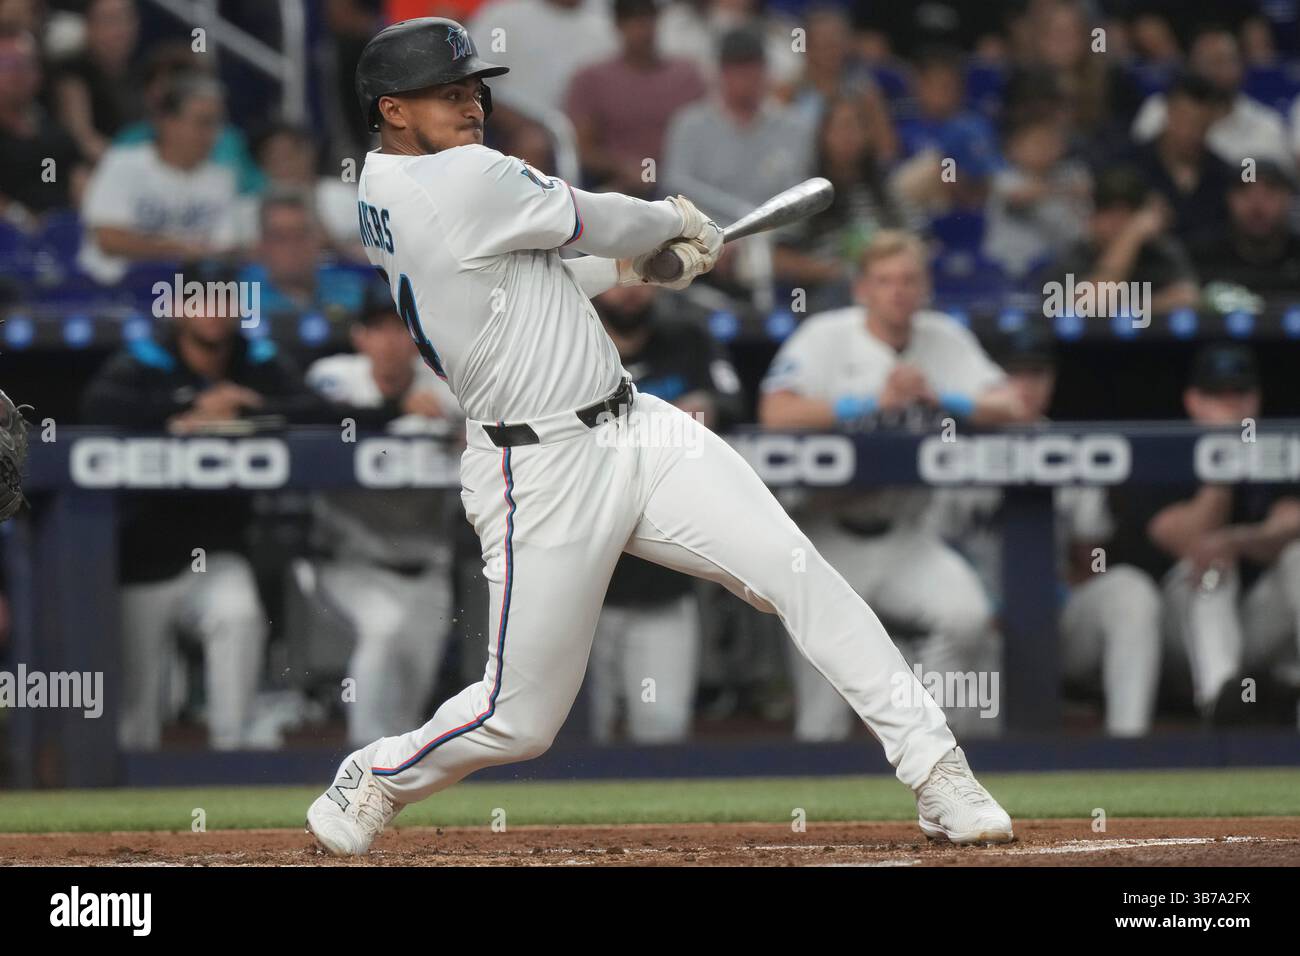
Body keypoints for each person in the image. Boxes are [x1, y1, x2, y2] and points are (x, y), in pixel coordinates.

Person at [306, 17, 1014, 856]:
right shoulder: (454, 180)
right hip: (536, 469)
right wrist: (673, 220)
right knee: (518, 719)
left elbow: (528, 268)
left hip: (634, 426)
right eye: (447, 94)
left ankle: (938, 772)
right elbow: (597, 220)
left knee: (796, 574)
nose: (471, 105)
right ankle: (380, 774)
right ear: (390, 109)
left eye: (473, 90)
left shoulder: (396, 185)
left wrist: (648, 264)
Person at [757, 229, 1033, 742]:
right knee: (822, 709)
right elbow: (776, 413)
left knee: (966, 617)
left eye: (909, 280)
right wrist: (868, 403)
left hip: (907, 534)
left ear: (925, 287)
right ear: (862, 289)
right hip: (827, 538)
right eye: (884, 281)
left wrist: (941, 397)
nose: (898, 291)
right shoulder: (825, 335)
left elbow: (1014, 406)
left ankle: (935, 754)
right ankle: (811, 810)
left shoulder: (943, 337)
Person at [78, 262, 330, 750]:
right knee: (136, 721)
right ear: (176, 309)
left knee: (238, 615)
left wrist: (248, 405)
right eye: (200, 300)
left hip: (216, 553)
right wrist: (185, 409)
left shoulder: (256, 360)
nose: (214, 311)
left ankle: (230, 754)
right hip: (141, 560)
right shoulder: (144, 359)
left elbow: (317, 410)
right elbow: (97, 409)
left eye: (224, 300)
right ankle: (134, 812)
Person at [931, 325, 1163, 737]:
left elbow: (1092, 552)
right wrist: (982, 602)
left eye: (1037, 374)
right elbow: (934, 550)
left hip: (1056, 617)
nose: (1026, 385)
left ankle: (1130, 746)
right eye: (1014, 373)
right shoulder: (954, 451)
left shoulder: (1072, 448)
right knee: (978, 735)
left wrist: (1062, 591)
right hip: (980, 626)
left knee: (1131, 590)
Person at [305, 282, 464, 745]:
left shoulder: (448, 386)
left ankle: (390, 792)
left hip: (429, 569)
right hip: (349, 563)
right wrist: (395, 409)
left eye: (401, 330)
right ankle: (359, 772)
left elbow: (495, 429)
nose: (391, 342)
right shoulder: (333, 377)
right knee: (383, 629)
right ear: (360, 337)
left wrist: (461, 429)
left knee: (408, 713)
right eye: (378, 329)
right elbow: (312, 417)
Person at [585, 282, 743, 743]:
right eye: (619, 278)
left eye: (641, 278)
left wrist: (708, 407)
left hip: (664, 585)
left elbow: (732, 401)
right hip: (581, 588)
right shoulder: (569, 339)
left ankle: (648, 821)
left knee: (663, 728)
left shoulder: (687, 338)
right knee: (565, 735)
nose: (631, 291)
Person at [1146, 345, 1300, 720]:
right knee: (1214, 566)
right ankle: (1221, 708)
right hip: (1179, 633)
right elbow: (1184, 540)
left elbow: (1290, 525)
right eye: (1218, 395)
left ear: (1257, 399)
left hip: (1254, 627)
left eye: (1241, 394)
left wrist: (1235, 539)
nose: (1232, 406)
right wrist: (1223, 464)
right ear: (1194, 401)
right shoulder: (1164, 452)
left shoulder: (1274, 450)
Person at [78, 72, 241, 284]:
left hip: (188, 294)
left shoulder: (221, 179)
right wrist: (177, 250)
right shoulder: (123, 164)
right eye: (203, 123)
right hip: (114, 292)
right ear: (168, 123)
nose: (212, 134)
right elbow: (108, 240)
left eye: (216, 124)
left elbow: (223, 249)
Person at [563, 0, 705, 197]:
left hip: (684, 184)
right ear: (618, 26)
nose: (643, 30)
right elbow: (582, 148)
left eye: (647, 19)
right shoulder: (591, 78)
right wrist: (622, 166)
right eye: (633, 21)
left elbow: (707, 134)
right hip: (615, 186)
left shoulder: (687, 74)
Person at [1037, 165, 1199, 317]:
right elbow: (1090, 305)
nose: (1119, 222)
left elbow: (1187, 298)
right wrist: (1130, 237)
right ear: (1092, 218)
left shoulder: (1161, 251)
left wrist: (1122, 309)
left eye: (1128, 213)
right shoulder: (1072, 256)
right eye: (1109, 212)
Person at [1132, 25, 1291, 169]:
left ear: (1242, 67)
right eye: (1209, 63)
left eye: (1227, 61)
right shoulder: (1157, 110)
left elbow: (1283, 189)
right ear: (1191, 66)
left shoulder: (1266, 126)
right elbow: (1137, 166)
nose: (1217, 72)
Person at [236, 190, 366, 319]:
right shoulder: (240, 301)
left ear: (318, 241)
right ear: (262, 245)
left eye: (301, 235)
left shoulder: (352, 292)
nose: (292, 246)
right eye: (280, 237)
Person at [0, 25, 84, 220]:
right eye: (6, 64)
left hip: (62, 233)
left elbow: (76, 181)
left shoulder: (55, 135)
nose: (17, 73)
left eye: (26, 64)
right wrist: (23, 220)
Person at [1190, 159, 1300, 296]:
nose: (1256, 205)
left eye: (1269, 192)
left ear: (1288, 198)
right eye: (1244, 192)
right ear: (1229, 199)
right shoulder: (1201, 258)